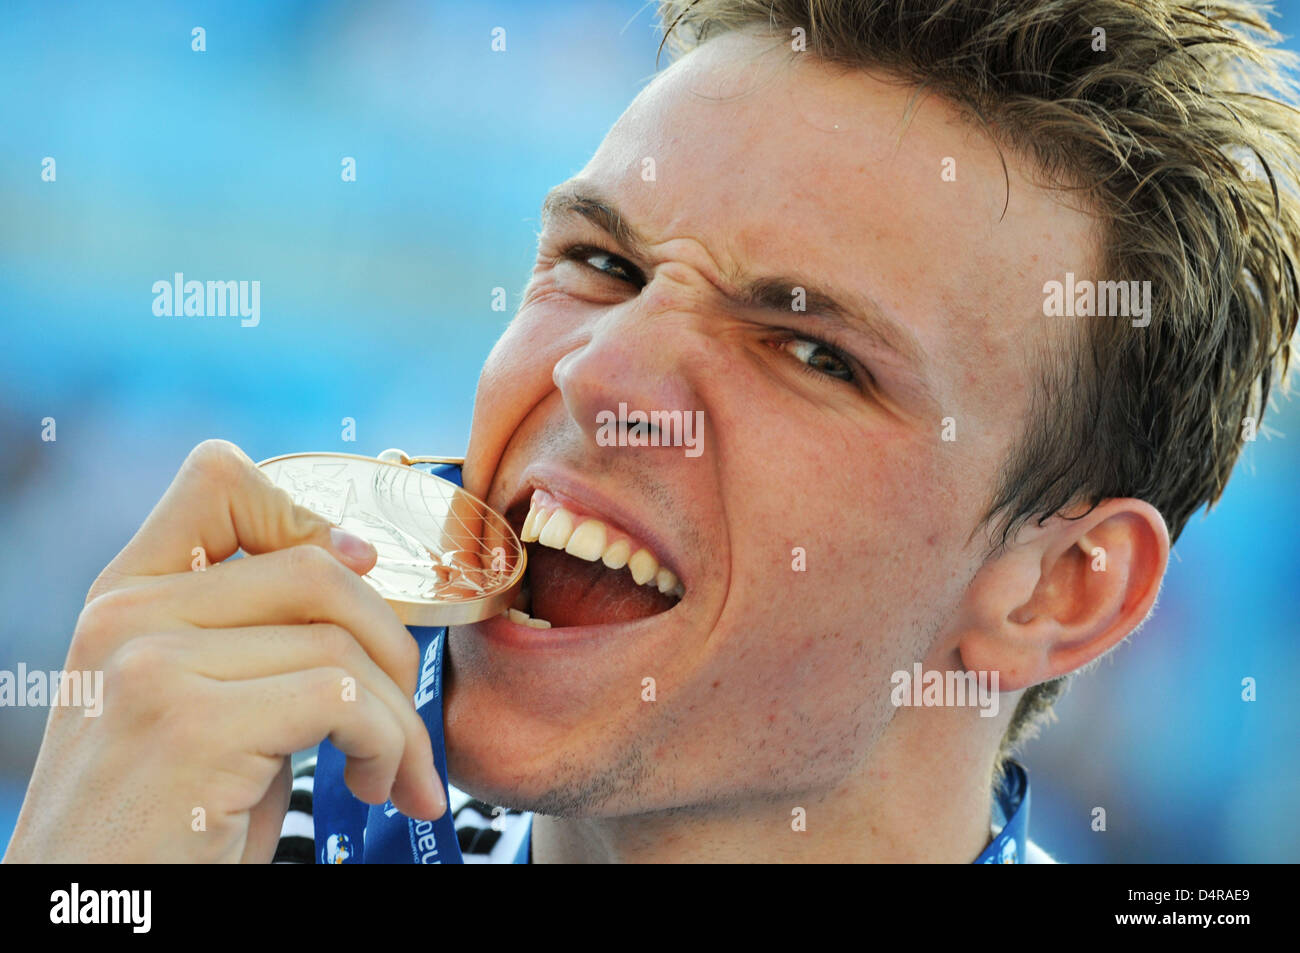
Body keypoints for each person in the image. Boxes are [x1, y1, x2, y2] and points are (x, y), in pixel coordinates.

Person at [6, 0, 1298, 864]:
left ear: (1057, 588)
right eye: (602, 262)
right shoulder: (193, 828)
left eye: (812, 351)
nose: (597, 373)